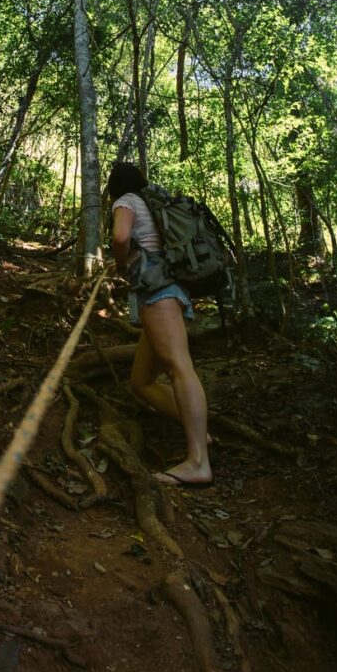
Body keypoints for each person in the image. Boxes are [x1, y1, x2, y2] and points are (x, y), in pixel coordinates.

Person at [108, 161, 212, 488]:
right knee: (141, 381)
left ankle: (198, 463)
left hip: (156, 291)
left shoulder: (125, 201)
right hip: (170, 288)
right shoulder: (152, 205)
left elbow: (121, 236)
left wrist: (119, 264)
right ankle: (198, 430)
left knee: (179, 367)